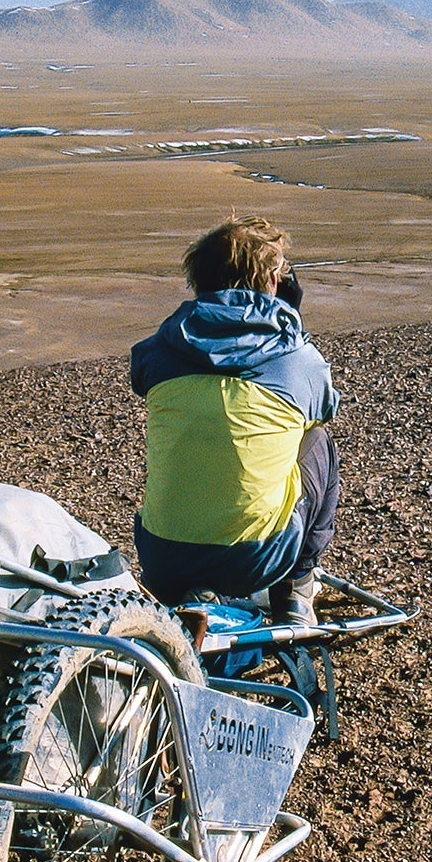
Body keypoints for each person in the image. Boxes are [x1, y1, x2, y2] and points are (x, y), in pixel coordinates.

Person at [130, 215, 340, 624]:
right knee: (318, 442)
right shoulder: (295, 359)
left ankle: (192, 585)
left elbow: (142, 377)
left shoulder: (159, 349)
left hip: (163, 558)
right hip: (256, 560)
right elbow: (325, 404)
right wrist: (290, 323)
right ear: (273, 281)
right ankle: (295, 588)